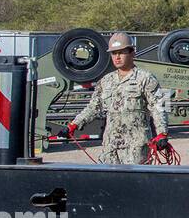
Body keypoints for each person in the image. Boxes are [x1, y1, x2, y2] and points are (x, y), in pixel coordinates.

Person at [68, 31, 169, 164]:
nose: (117, 57)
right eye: (114, 53)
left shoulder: (145, 79)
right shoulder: (106, 81)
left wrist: (162, 133)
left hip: (136, 147)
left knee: (135, 182)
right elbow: (94, 107)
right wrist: (74, 125)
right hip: (111, 146)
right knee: (109, 182)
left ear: (132, 53)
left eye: (121, 52)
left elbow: (159, 107)